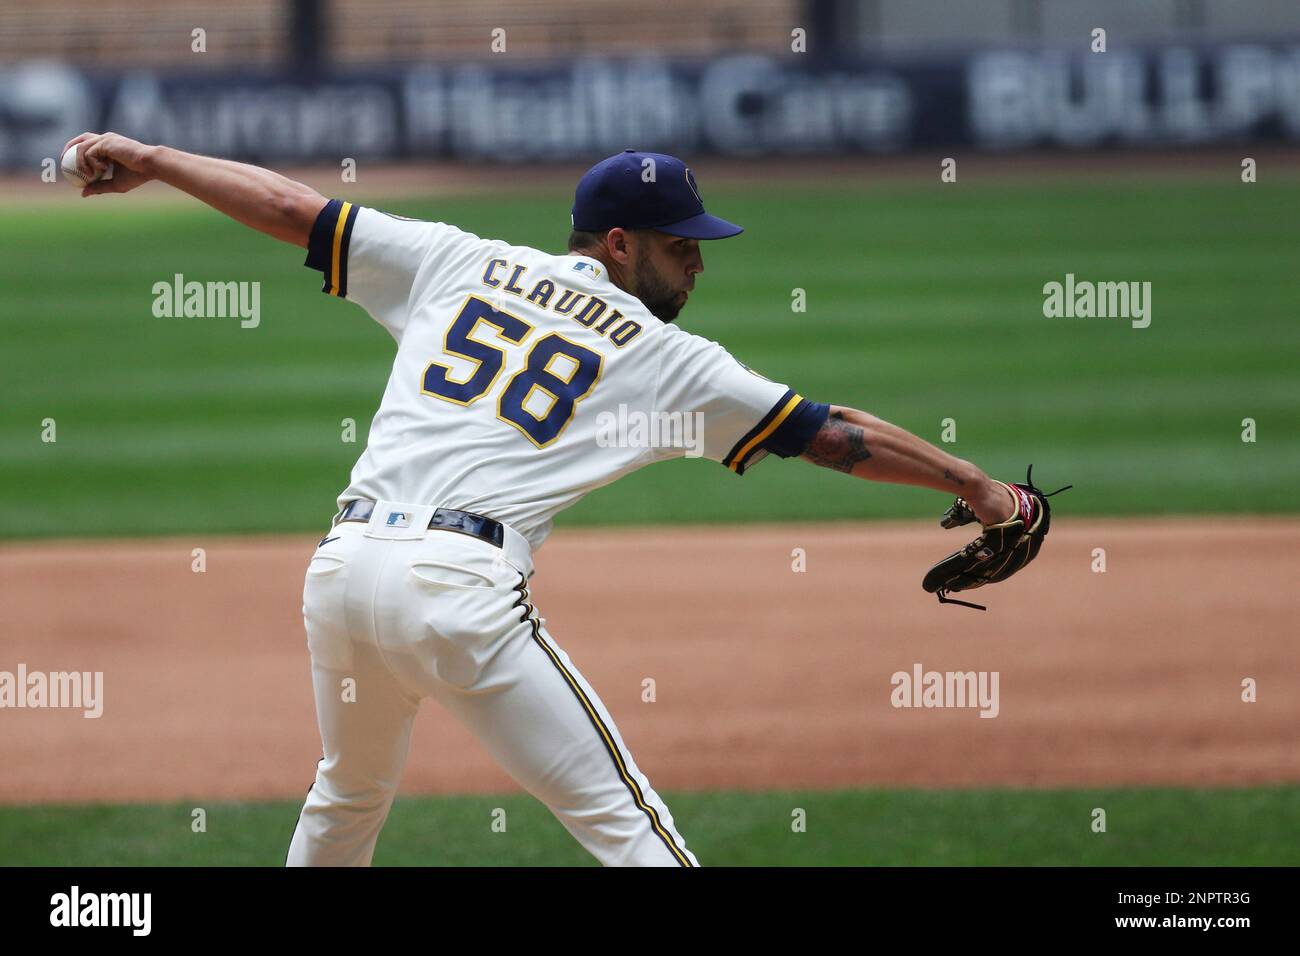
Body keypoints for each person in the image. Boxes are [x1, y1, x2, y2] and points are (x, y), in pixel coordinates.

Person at [63, 134, 1019, 866]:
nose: (697, 262)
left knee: (346, 802)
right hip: (457, 589)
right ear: (617, 244)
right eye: (680, 245)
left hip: (342, 577)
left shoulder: (452, 256)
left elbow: (287, 205)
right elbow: (832, 436)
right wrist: (975, 485)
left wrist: (151, 158)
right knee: (628, 826)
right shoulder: (666, 356)